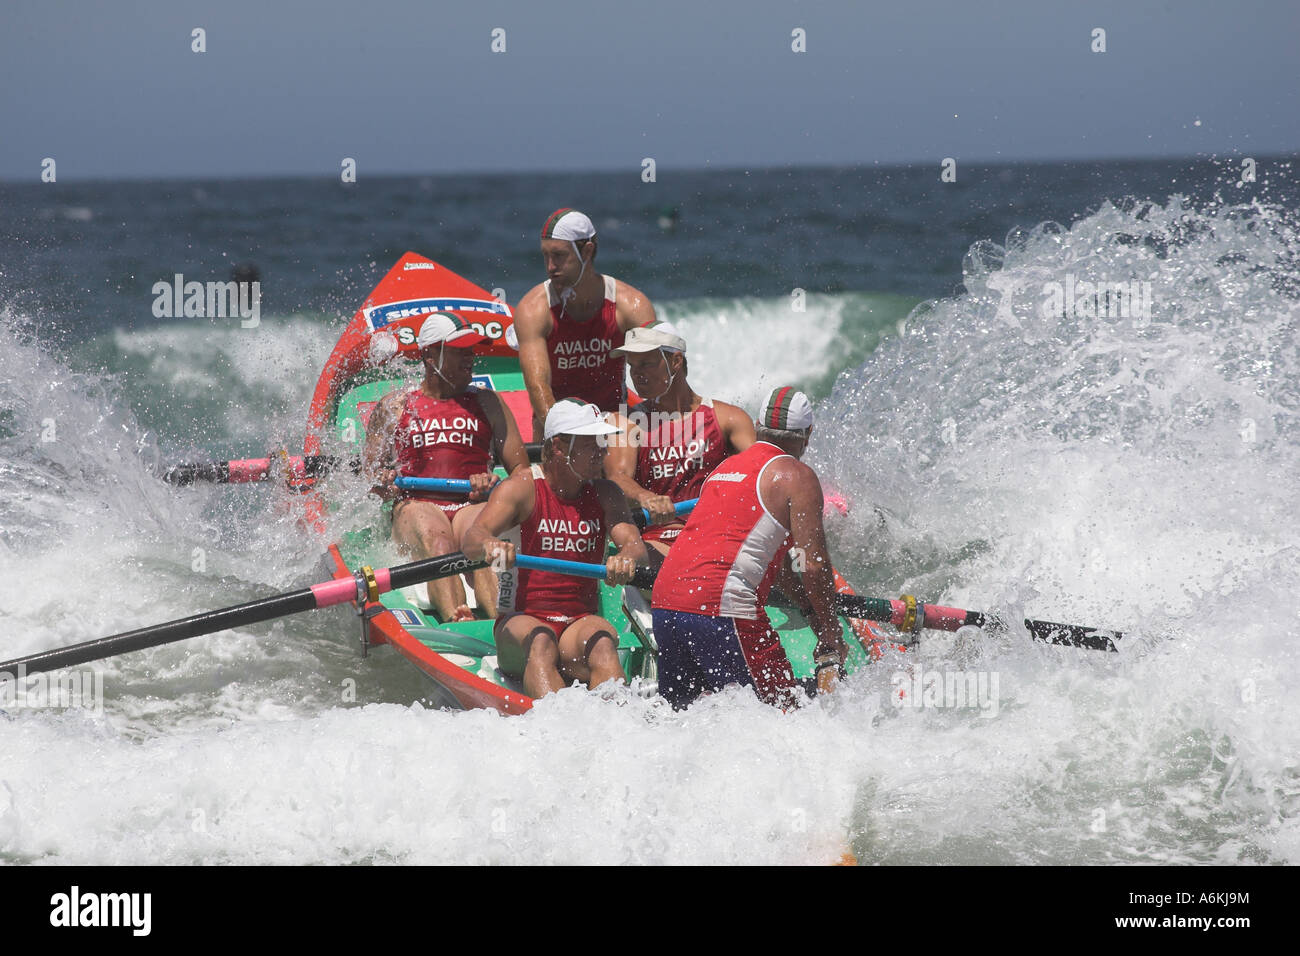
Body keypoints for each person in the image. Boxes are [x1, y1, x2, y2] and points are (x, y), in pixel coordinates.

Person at [650, 386, 848, 710]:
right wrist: (829, 631)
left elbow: (779, 562)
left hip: (665, 602)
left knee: (680, 724)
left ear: (757, 426)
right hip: (722, 607)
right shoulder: (797, 476)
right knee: (782, 717)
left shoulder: (723, 469)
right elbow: (813, 565)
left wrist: (807, 607)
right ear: (807, 434)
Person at [463, 399, 649, 698]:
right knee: (541, 641)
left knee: (603, 642)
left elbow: (634, 544)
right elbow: (472, 538)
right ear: (560, 447)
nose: (602, 451)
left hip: (577, 627)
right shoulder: (521, 488)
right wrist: (490, 545)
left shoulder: (606, 494)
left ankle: (619, 730)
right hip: (521, 624)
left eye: (602, 441)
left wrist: (626, 558)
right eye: (591, 443)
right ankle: (557, 732)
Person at [363, 312, 528, 621]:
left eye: (472, 349)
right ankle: (457, 618)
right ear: (429, 355)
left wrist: (494, 485)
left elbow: (522, 474)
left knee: (485, 541)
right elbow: (369, 481)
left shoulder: (489, 403)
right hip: (417, 504)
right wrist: (382, 481)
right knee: (439, 540)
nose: (471, 357)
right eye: (460, 350)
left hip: (470, 504)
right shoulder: (394, 407)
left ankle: (502, 626)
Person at [603, 321, 755, 555]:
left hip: (716, 536)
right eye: (632, 366)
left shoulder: (729, 420)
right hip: (658, 541)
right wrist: (646, 497)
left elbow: (761, 475)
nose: (637, 374)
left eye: (646, 364)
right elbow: (617, 477)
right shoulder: (626, 422)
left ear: (675, 362)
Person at [512, 208, 657, 432]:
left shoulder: (631, 306)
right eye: (545, 256)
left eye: (559, 256)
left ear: (587, 252)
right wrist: (571, 439)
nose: (550, 267)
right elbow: (538, 389)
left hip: (613, 422)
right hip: (557, 428)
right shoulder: (533, 310)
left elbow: (656, 378)